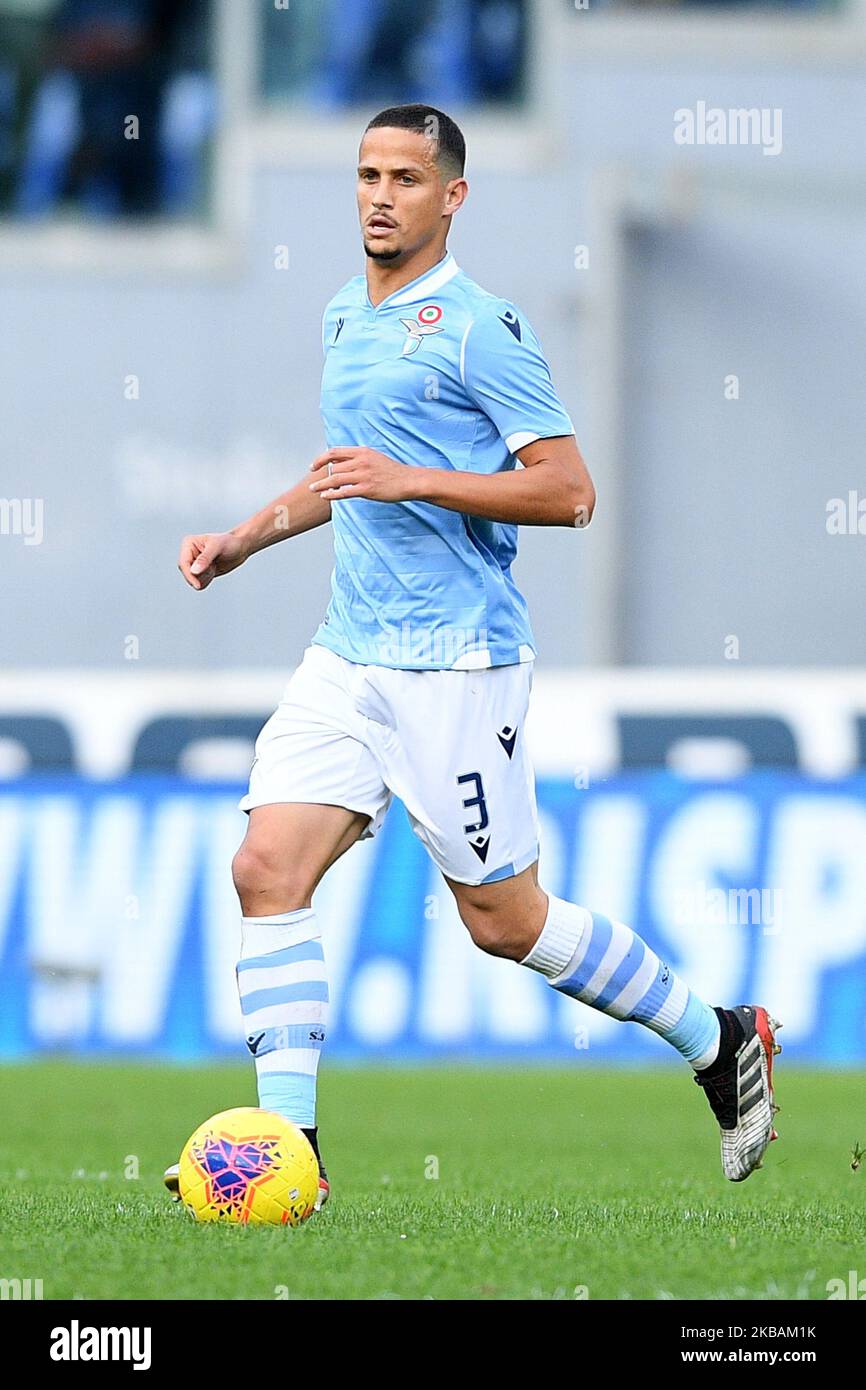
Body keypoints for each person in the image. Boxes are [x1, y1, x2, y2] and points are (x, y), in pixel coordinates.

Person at [169, 104, 781, 1212]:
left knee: (505, 921)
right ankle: (289, 1157)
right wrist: (241, 540)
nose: (379, 194)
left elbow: (569, 489)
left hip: (456, 663)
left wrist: (420, 479)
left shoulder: (479, 328)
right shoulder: (341, 315)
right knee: (265, 868)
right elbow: (341, 473)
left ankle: (716, 1035)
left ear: (451, 196)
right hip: (347, 653)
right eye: (366, 173)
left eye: (405, 177)